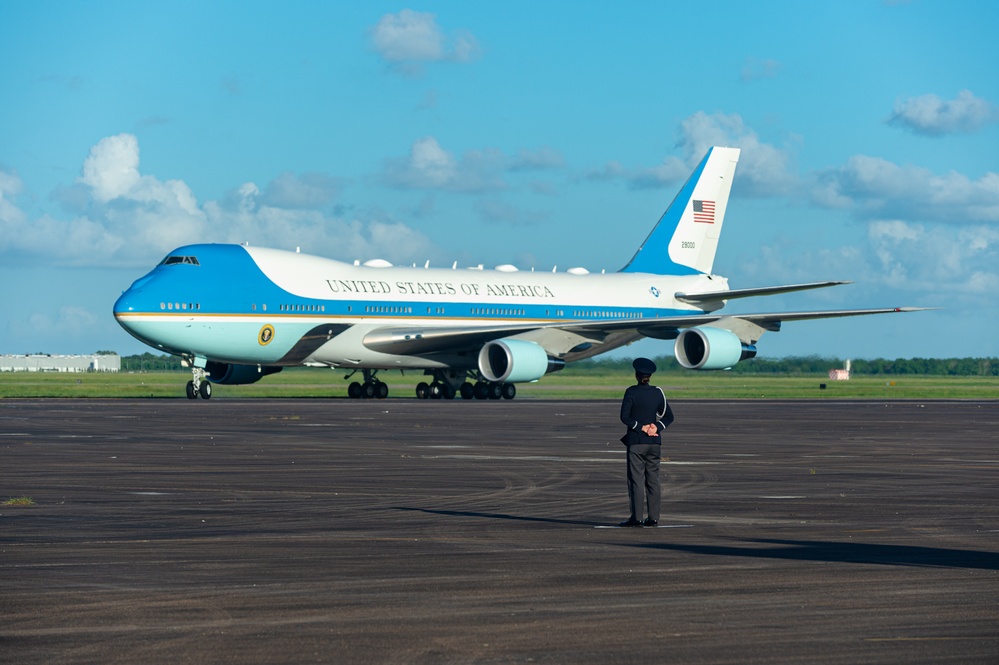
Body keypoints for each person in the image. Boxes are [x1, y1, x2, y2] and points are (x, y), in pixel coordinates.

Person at [619, 357, 674, 527]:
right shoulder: (658, 392)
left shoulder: (631, 392)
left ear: (636, 375)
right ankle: (654, 517)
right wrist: (656, 427)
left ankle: (636, 518)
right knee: (653, 480)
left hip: (637, 442)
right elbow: (669, 417)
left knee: (636, 480)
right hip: (654, 443)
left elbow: (624, 417)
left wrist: (641, 427)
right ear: (649, 376)